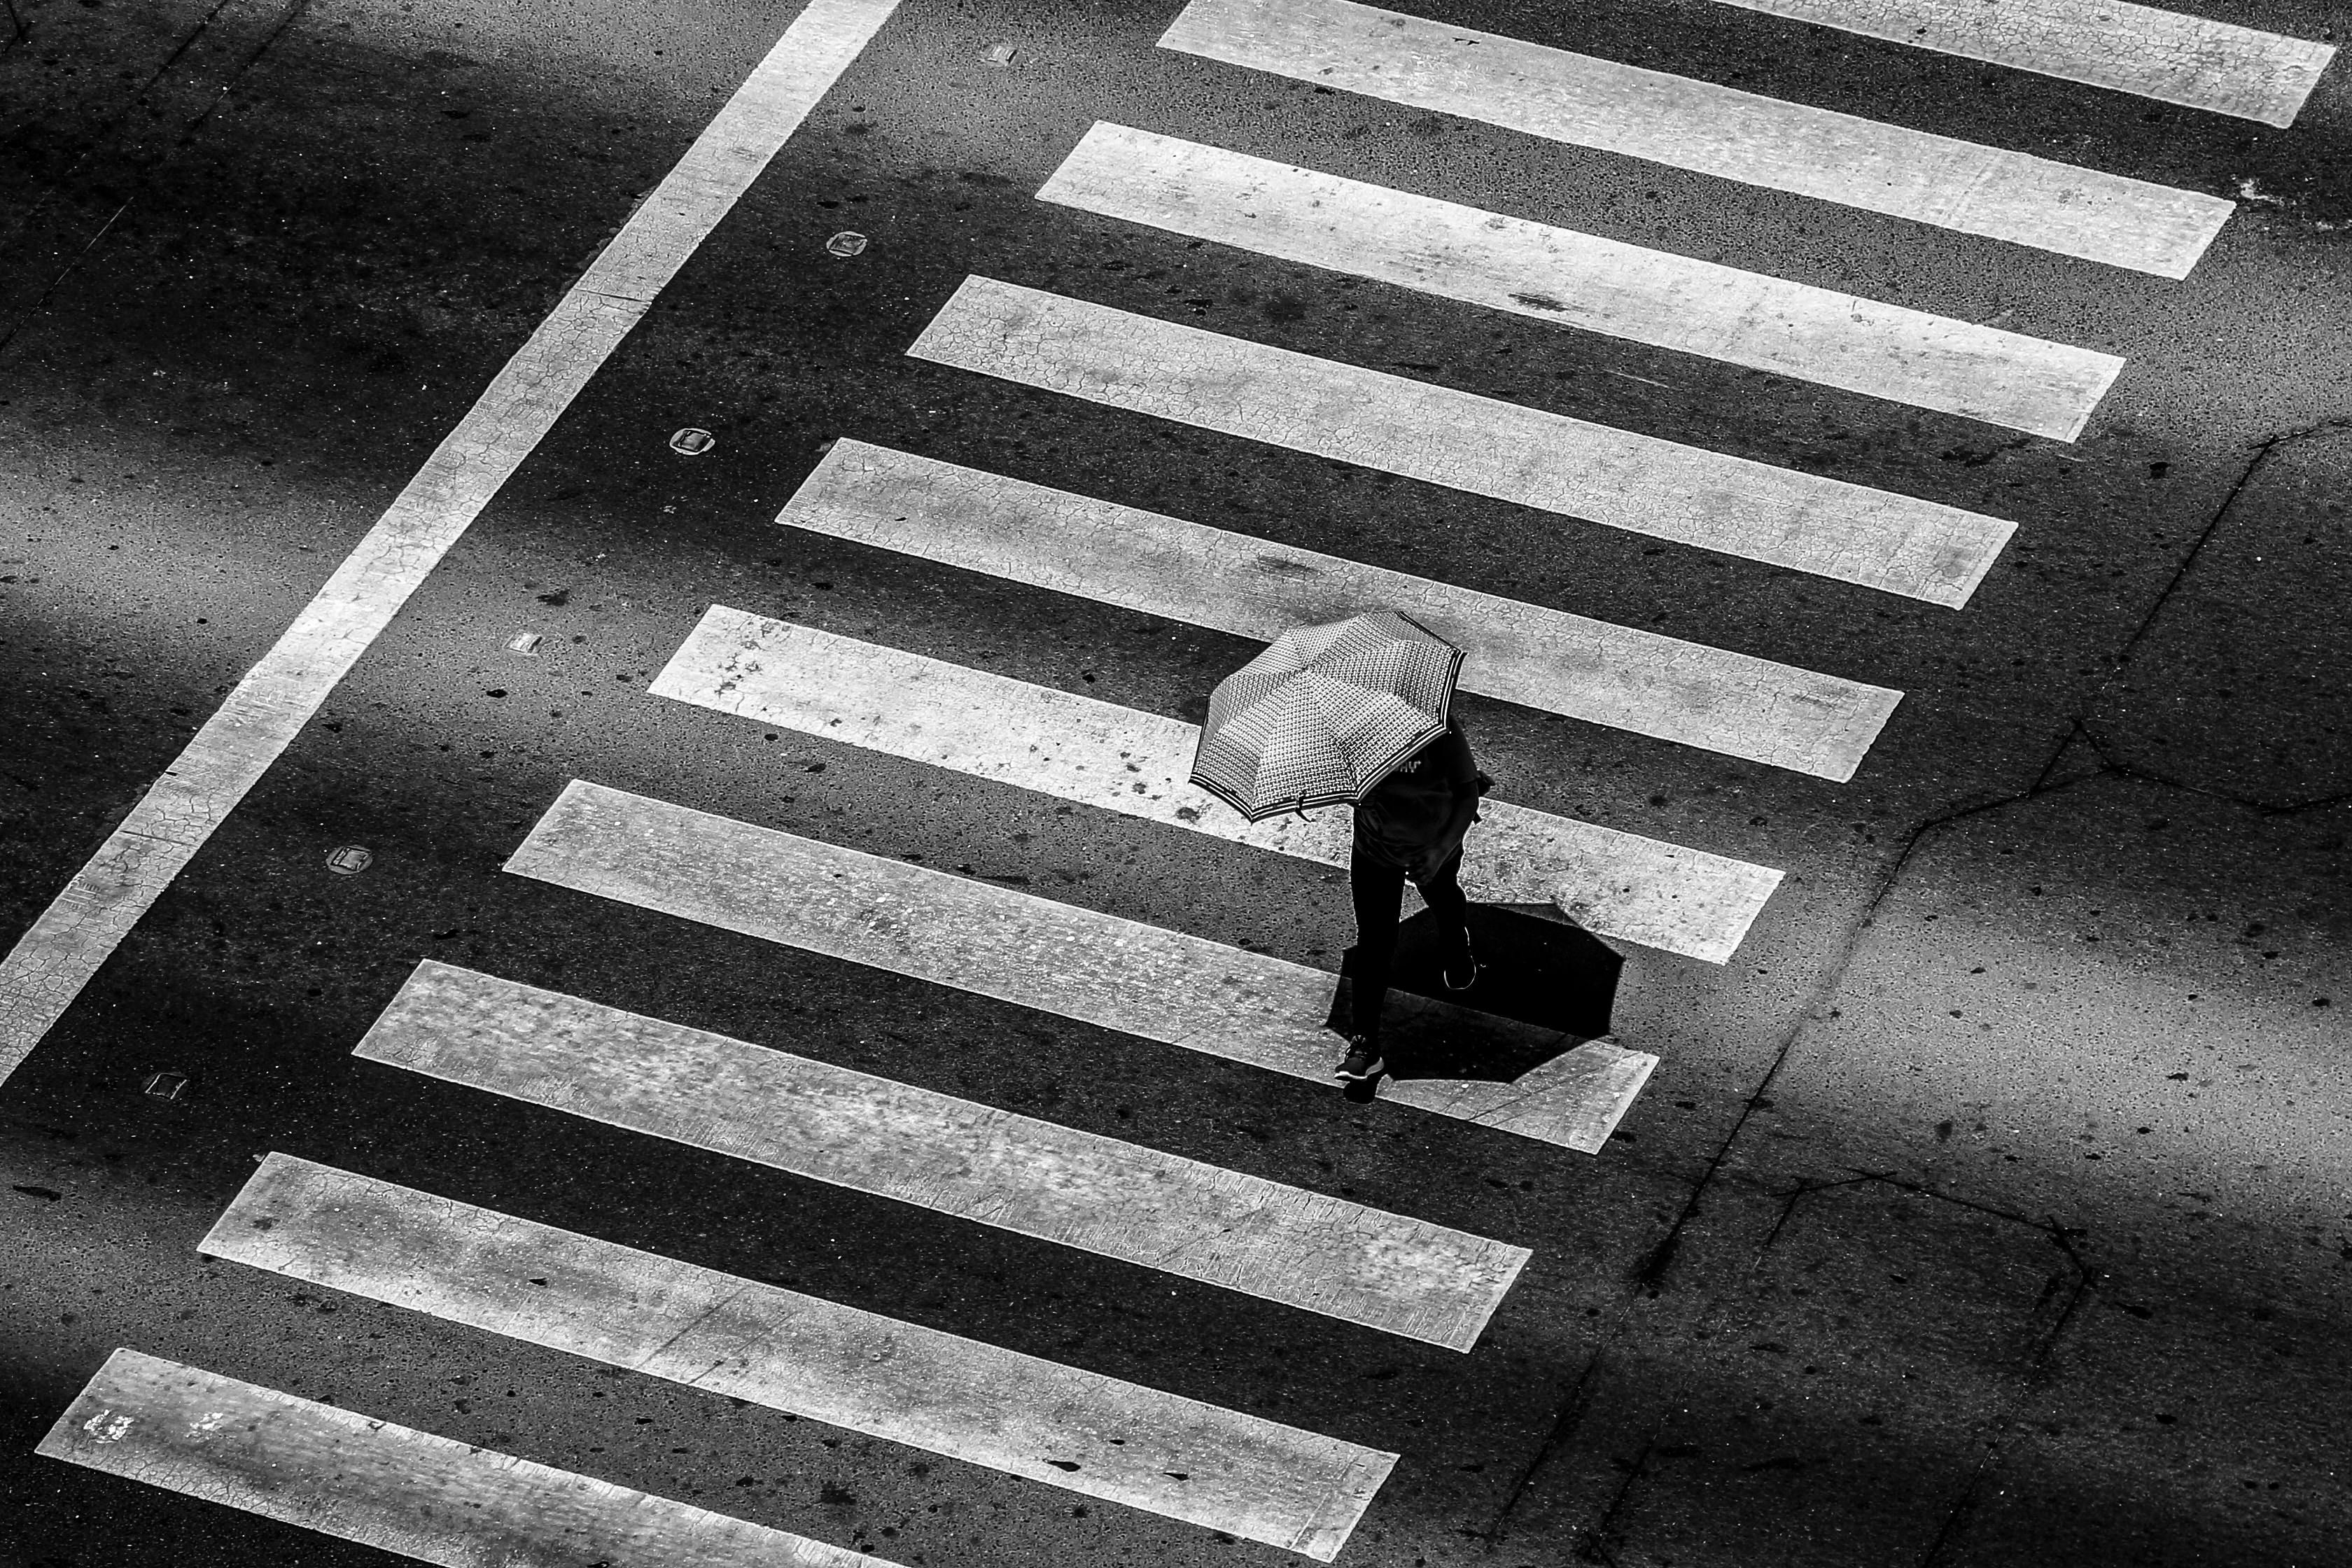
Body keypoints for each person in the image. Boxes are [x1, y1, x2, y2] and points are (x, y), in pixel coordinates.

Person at [1335, 717, 1490, 1082]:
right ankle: (1365, 1046)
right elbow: (1337, 782)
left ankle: (1457, 944)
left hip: (1433, 845)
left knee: (1443, 896)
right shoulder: (1349, 730)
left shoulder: (1439, 727)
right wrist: (1354, 795)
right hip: (1375, 850)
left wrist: (1439, 852)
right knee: (1375, 941)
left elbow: (1467, 794)